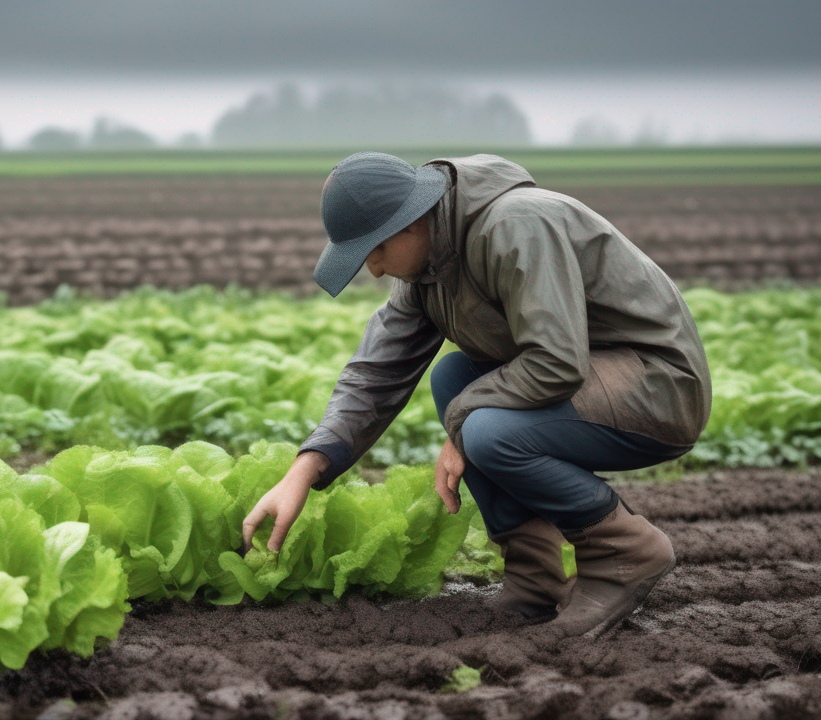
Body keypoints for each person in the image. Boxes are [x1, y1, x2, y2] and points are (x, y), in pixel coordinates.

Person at [239, 152, 712, 639]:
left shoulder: (515, 226)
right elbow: (375, 372)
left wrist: (463, 423)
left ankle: (624, 555)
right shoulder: (430, 266)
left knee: (483, 427)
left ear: (411, 223)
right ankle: (533, 579)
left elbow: (558, 360)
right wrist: (304, 469)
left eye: (374, 252)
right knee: (453, 377)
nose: (375, 271)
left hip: (657, 386)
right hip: (594, 380)